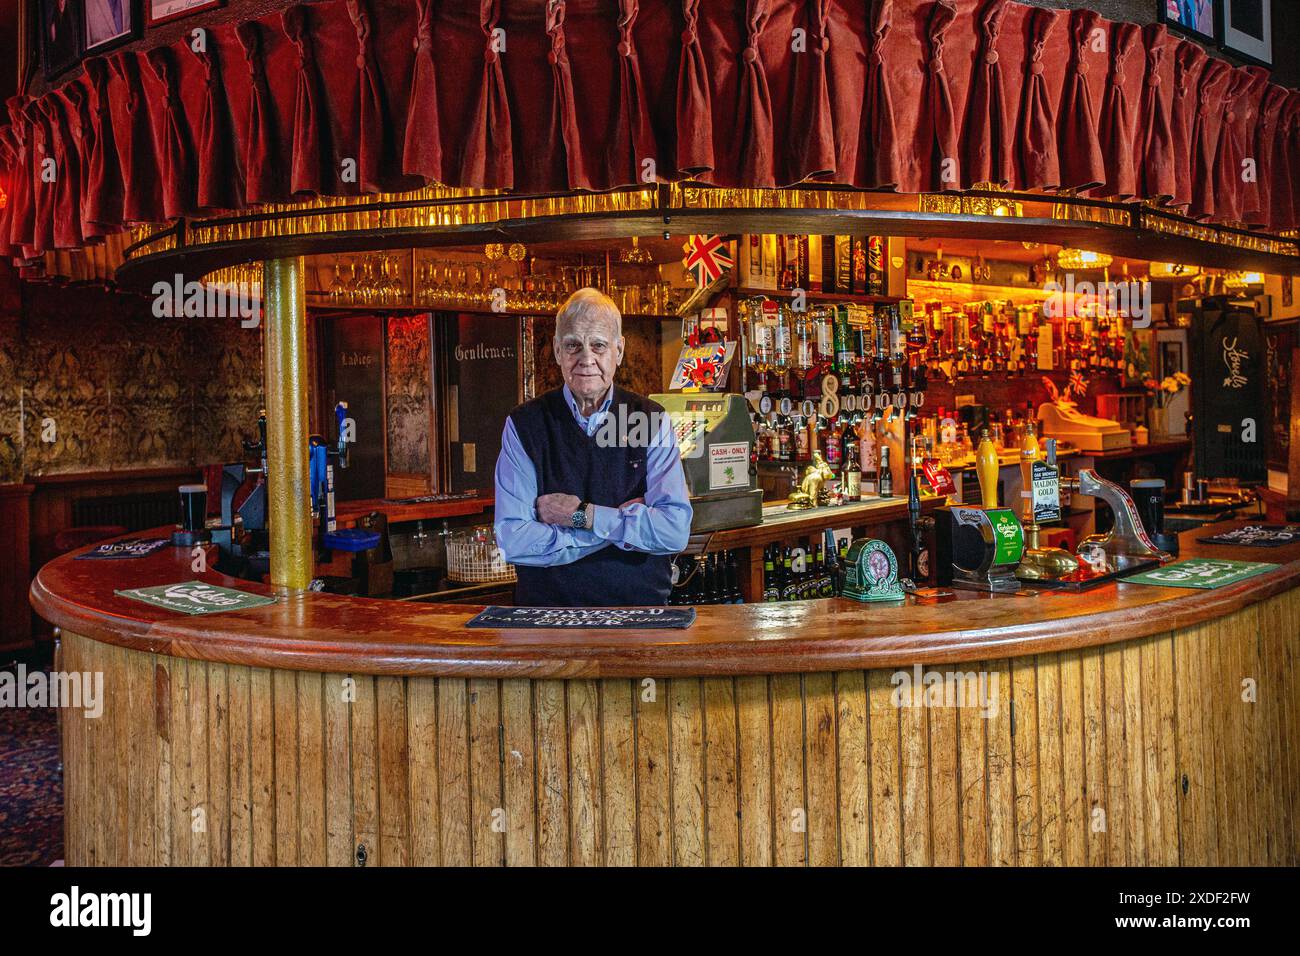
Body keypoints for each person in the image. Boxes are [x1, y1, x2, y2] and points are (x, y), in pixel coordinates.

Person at [494, 288, 692, 606]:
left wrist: (581, 515)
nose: (586, 359)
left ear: (619, 350)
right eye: (573, 345)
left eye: (598, 345)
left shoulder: (651, 419)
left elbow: (673, 532)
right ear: (558, 351)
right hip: (547, 620)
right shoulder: (524, 425)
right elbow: (514, 541)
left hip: (639, 615)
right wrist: (620, 528)